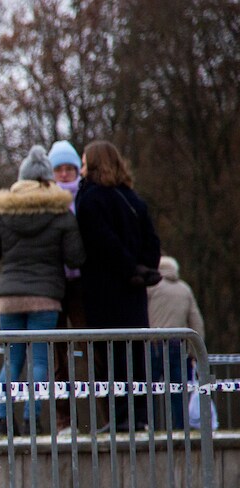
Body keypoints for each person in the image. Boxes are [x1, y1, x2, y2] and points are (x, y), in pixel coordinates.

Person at [0, 146, 85, 435]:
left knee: (12, 359)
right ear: (47, 178)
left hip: (9, 298)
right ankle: (31, 418)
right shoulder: (61, 213)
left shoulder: (4, 212)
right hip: (46, 297)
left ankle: (3, 421)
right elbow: (76, 258)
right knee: (39, 359)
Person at [75, 140, 161, 431]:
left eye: (84, 163)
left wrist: (129, 269)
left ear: (94, 165)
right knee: (136, 356)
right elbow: (152, 241)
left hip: (104, 292)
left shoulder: (90, 200)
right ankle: (140, 416)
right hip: (134, 292)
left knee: (111, 357)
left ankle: (121, 417)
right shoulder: (133, 199)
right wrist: (145, 269)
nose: (81, 170)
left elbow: (103, 242)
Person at [48, 140, 85, 432]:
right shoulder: (45, 200)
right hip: (53, 284)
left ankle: (102, 416)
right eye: (58, 169)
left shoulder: (87, 198)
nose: (63, 174)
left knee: (93, 348)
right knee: (57, 356)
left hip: (83, 283)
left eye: (68, 168)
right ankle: (64, 420)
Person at [147, 255, 206, 429]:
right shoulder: (185, 290)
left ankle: (148, 427)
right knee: (179, 392)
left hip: (153, 345)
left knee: (146, 390)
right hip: (177, 346)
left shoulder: (151, 288)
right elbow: (196, 323)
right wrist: (196, 352)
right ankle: (181, 430)